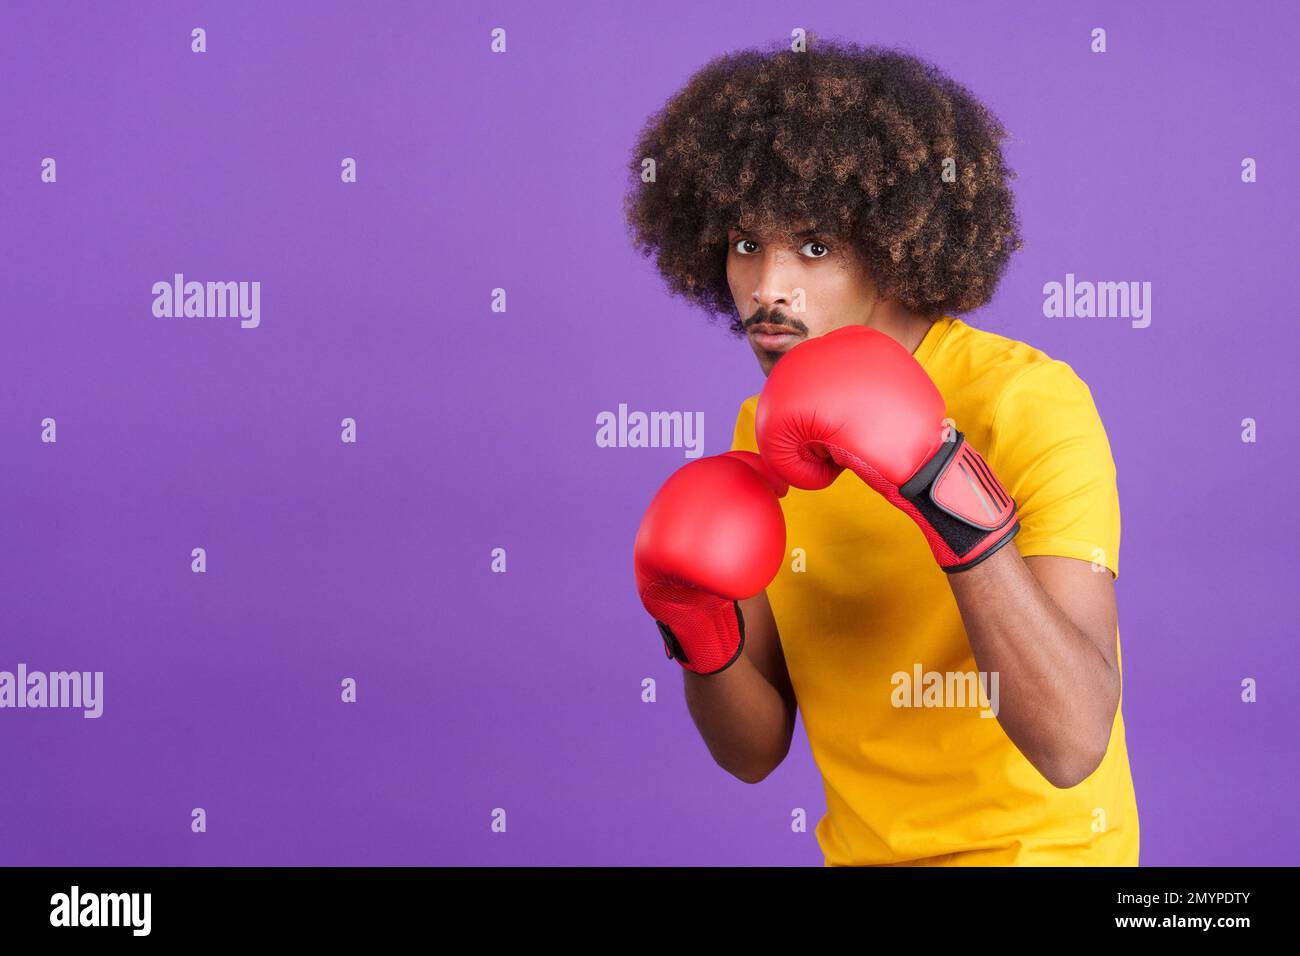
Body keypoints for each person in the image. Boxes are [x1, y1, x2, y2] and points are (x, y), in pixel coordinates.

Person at [626, 39, 1139, 866]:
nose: (768, 289)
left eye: (815, 248)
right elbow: (752, 752)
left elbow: (1073, 739)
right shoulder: (761, 430)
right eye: (745, 244)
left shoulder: (1024, 403)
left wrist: (940, 483)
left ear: (895, 243)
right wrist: (692, 624)